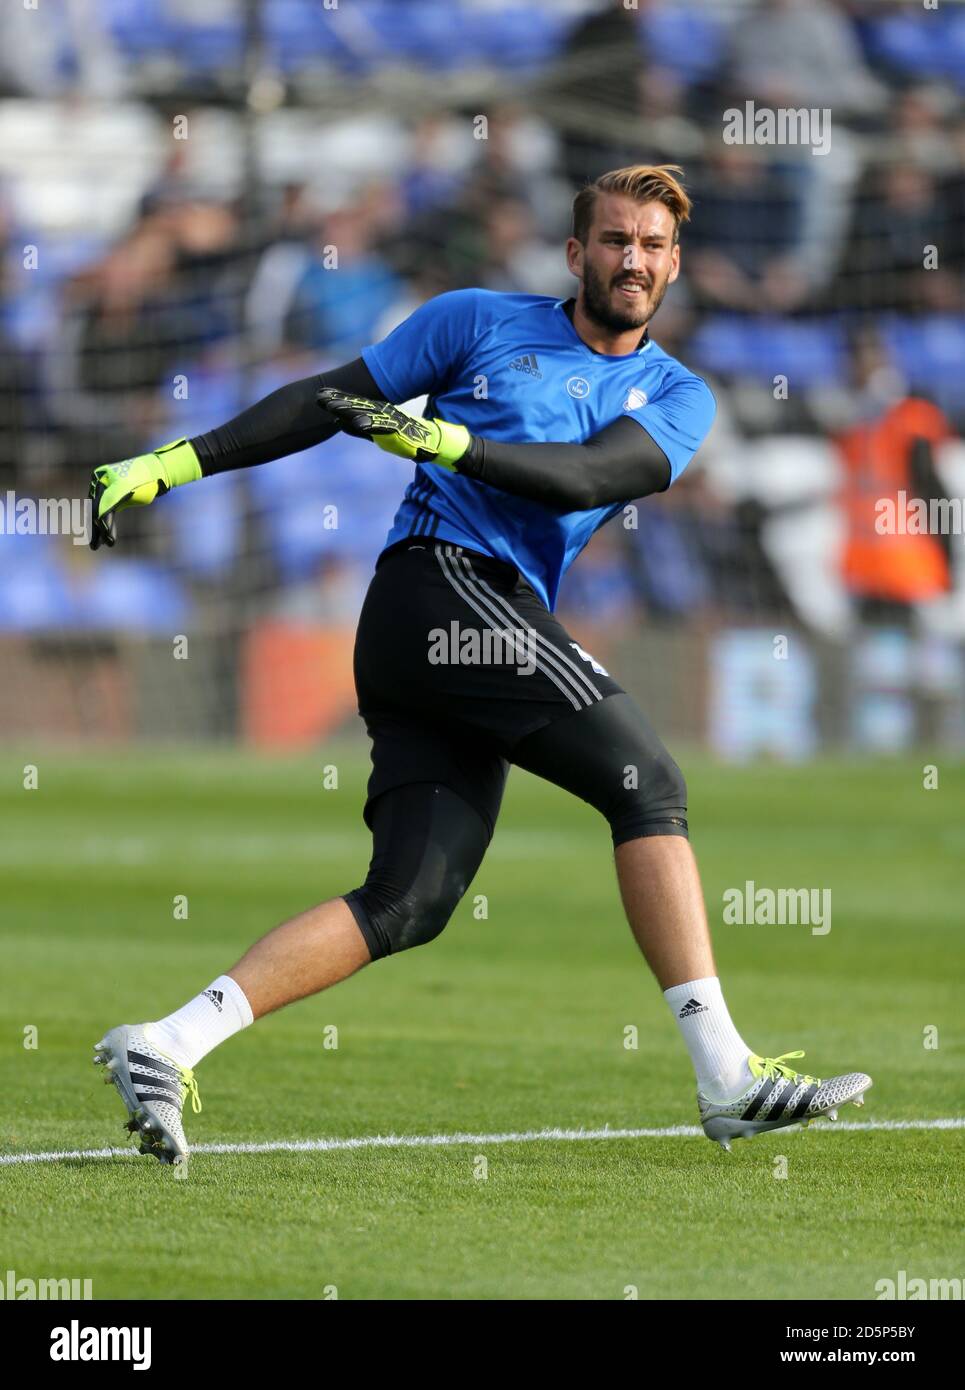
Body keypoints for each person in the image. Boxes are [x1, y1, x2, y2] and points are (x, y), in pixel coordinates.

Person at [88, 166, 871, 1163]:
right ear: (574, 252)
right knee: (649, 783)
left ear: (674, 264)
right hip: (438, 589)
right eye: (614, 240)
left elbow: (587, 477)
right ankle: (724, 1076)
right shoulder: (473, 318)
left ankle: (166, 1041)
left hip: (472, 618)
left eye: (651, 246)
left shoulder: (676, 394)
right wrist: (170, 463)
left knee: (406, 903)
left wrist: (451, 440)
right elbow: (330, 399)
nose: (631, 260)